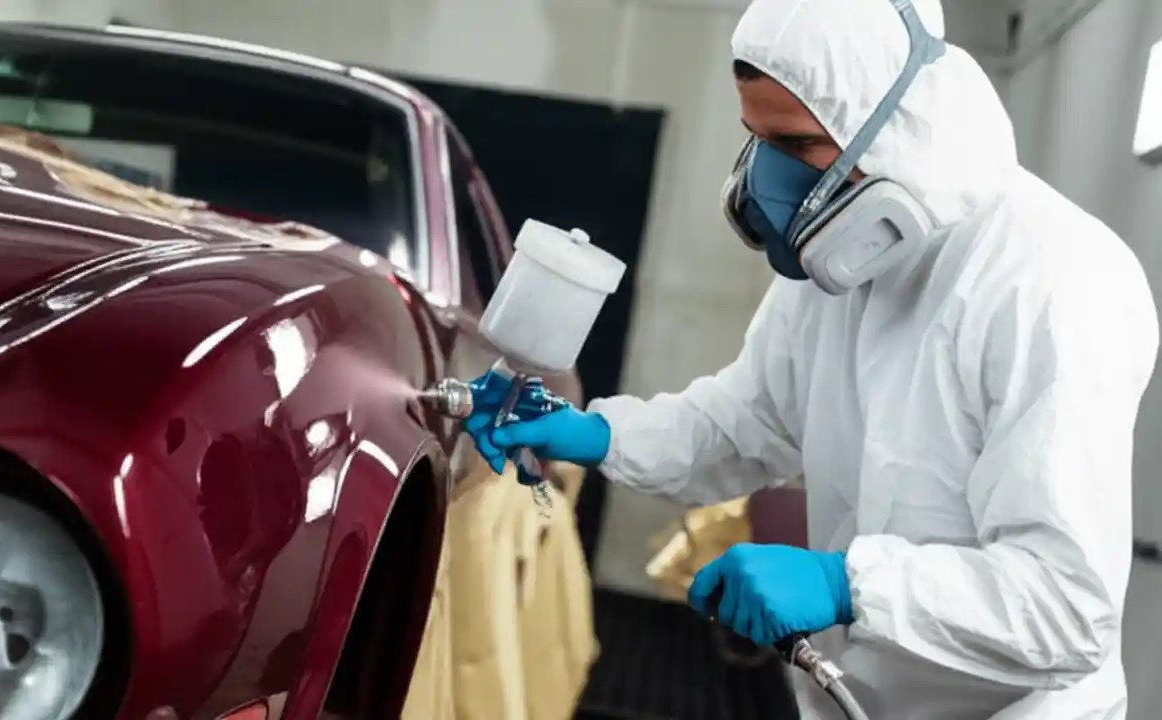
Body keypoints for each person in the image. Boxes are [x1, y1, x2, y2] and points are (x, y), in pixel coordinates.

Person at [463, 0, 1160, 717]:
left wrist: (846, 586)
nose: (766, 178)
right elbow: (745, 423)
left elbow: (1065, 608)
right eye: (755, 138)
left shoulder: (1053, 279)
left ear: (891, 135)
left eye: (794, 146)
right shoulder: (846, 258)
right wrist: (596, 433)